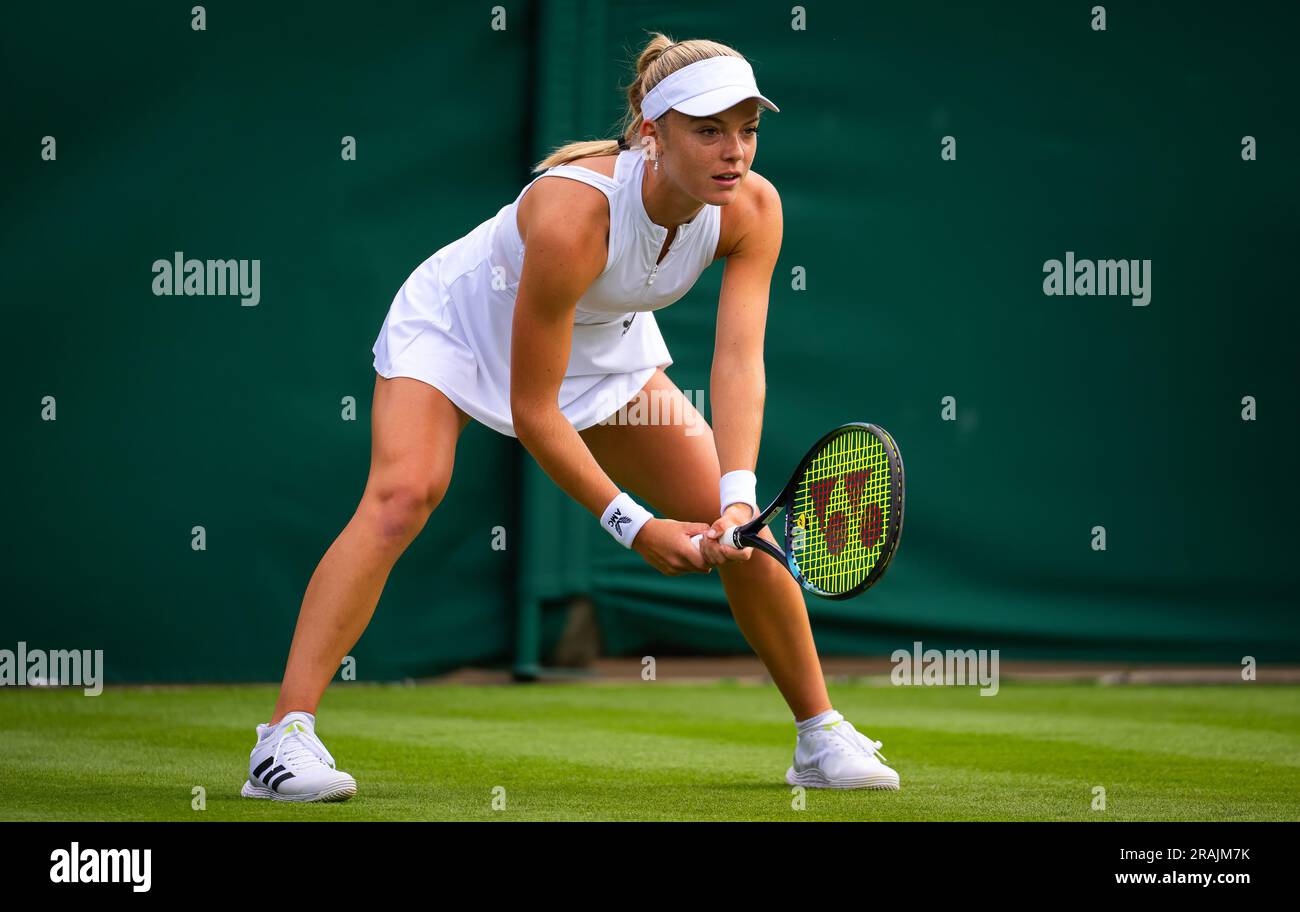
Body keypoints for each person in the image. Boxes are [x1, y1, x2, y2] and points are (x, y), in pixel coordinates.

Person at [240, 32, 899, 803]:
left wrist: (738, 493)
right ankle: (283, 740)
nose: (735, 151)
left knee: (742, 536)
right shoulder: (572, 216)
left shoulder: (753, 209)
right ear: (652, 133)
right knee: (404, 496)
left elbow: (737, 362)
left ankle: (819, 735)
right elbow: (533, 410)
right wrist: (634, 526)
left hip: (602, 347)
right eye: (709, 129)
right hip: (455, 329)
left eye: (748, 129)